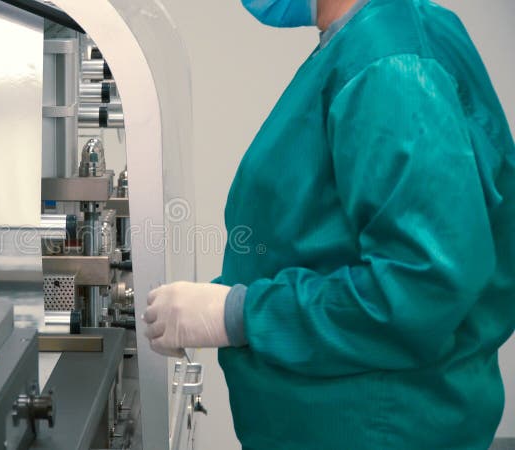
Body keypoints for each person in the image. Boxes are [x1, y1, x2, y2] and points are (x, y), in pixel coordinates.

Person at [141, 0, 515, 448]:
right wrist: (226, 301)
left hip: (379, 427)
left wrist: (239, 315)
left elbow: (422, 286)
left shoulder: (391, 65)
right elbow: (321, 238)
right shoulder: (371, 44)